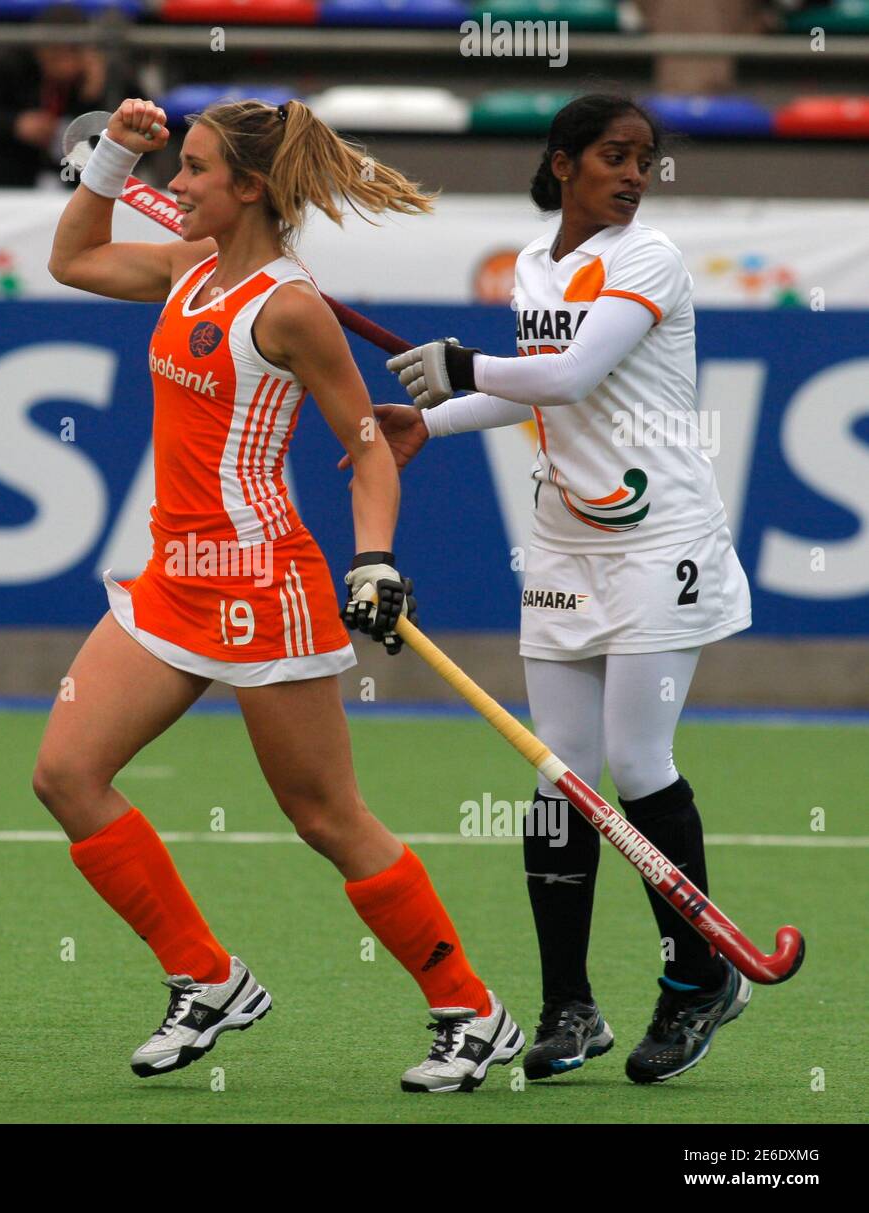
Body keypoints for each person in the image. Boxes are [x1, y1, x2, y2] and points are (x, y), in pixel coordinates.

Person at [37, 96, 523, 1093]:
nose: (173, 187)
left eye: (194, 170)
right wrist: (111, 159)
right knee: (65, 775)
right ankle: (206, 977)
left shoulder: (288, 307)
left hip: (267, 584)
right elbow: (72, 261)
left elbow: (369, 446)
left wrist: (373, 560)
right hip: (172, 577)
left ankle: (471, 1010)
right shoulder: (186, 265)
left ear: (249, 188)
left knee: (324, 815)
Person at [375, 94, 754, 1084]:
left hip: (659, 537)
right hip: (562, 548)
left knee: (633, 761)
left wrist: (459, 362)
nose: (632, 175)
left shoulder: (648, 259)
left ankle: (694, 981)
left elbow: (575, 373)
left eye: (643, 158)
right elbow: (530, 384)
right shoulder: (538, 267)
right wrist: (440, 417)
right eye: (612, 157)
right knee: (560, 778)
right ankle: (567, 1005)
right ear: (561, 165)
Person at [0, 4, 130, 187]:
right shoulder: (8, 63)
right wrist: (16, 124)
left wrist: (92, 96)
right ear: (38, 48)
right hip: (17, 161)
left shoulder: (102, 73)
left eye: (71, 52)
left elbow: (124, 133)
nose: (63, 65)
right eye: (54, 54)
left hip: (76, 173)